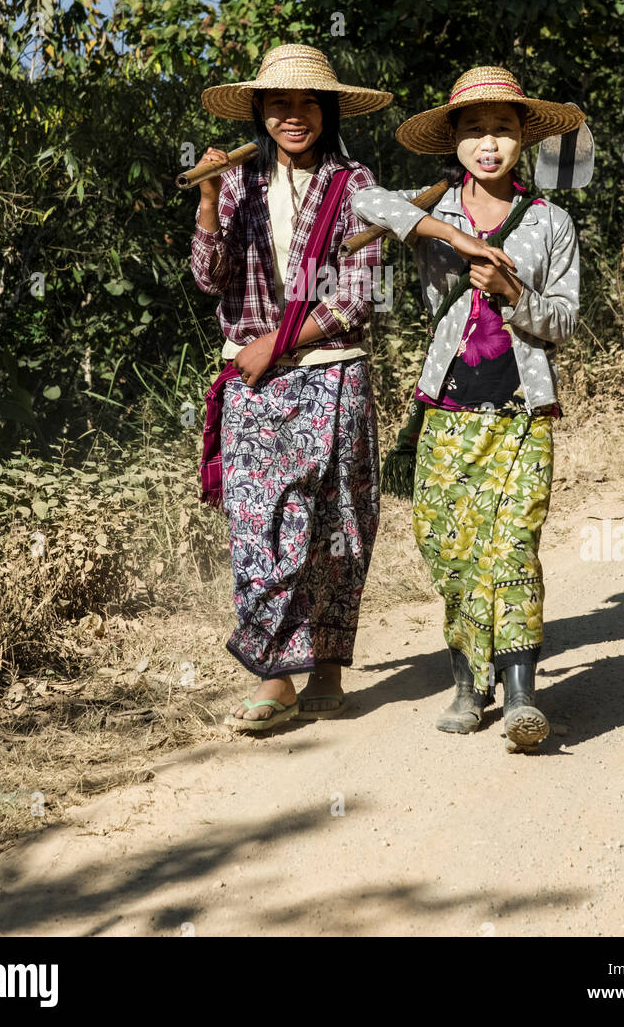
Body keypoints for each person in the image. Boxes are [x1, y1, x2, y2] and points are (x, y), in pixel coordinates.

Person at [351, 66, 584, 751]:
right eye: (475, 130)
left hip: (520, 412)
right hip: (445, 413)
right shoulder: (435, 215)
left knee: (512, 546)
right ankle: (465, 683)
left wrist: (517, 297)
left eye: (503, 130)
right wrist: (449, 237)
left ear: (522, 141)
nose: (489, 143)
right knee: (449, 550)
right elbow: (365, 203)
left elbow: (565, 321)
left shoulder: (549, 223)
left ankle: (518, 699)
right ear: (452, 140)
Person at [190, 43, 392, 731]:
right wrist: (210, 199)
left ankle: (327, 662)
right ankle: (274, 676)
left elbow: (357, 296)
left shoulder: (354, 182)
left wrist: (274, 344)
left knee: (336, 524)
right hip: (251, 382)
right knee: (260, 526)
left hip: (329, 373)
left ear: (328, 111)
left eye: (308, 103)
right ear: (259, 112)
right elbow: (208, 278)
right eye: (279, 103)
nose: (294, 115)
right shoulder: (238, 182)